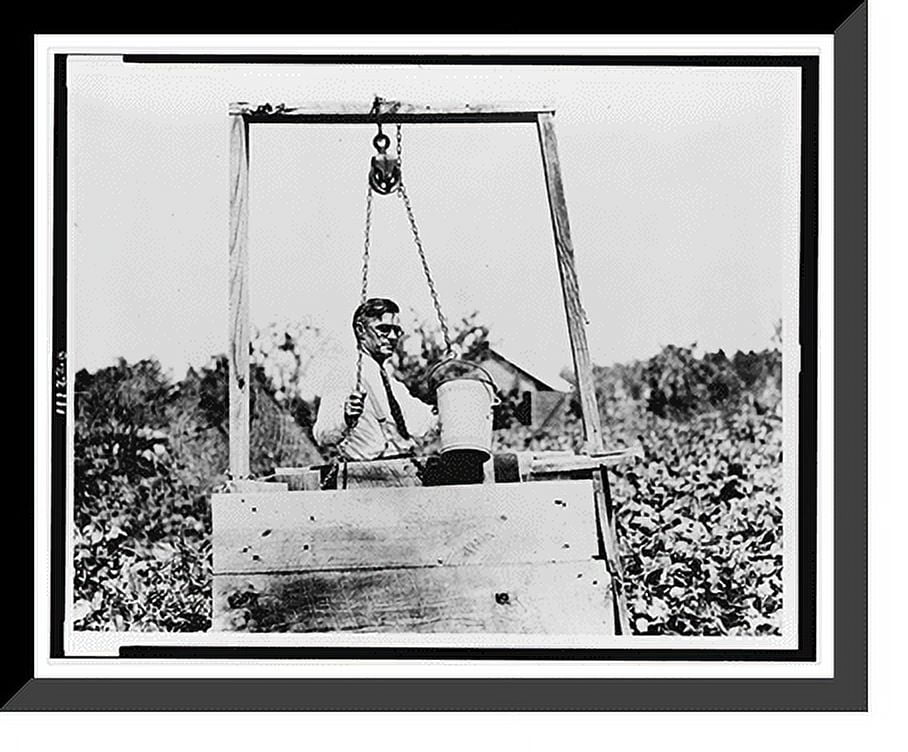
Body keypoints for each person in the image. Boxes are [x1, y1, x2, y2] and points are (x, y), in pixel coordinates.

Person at [313, 298, 437, 461]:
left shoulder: (393, 385)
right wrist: (346, 417)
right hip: (366, 475)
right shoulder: (345, 373)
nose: (393, 337)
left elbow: (423, 422)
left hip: (401, 469)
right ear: (361, 330)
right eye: (384, 329)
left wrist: (451, 405)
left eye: (397, 331)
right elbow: (323, 434)